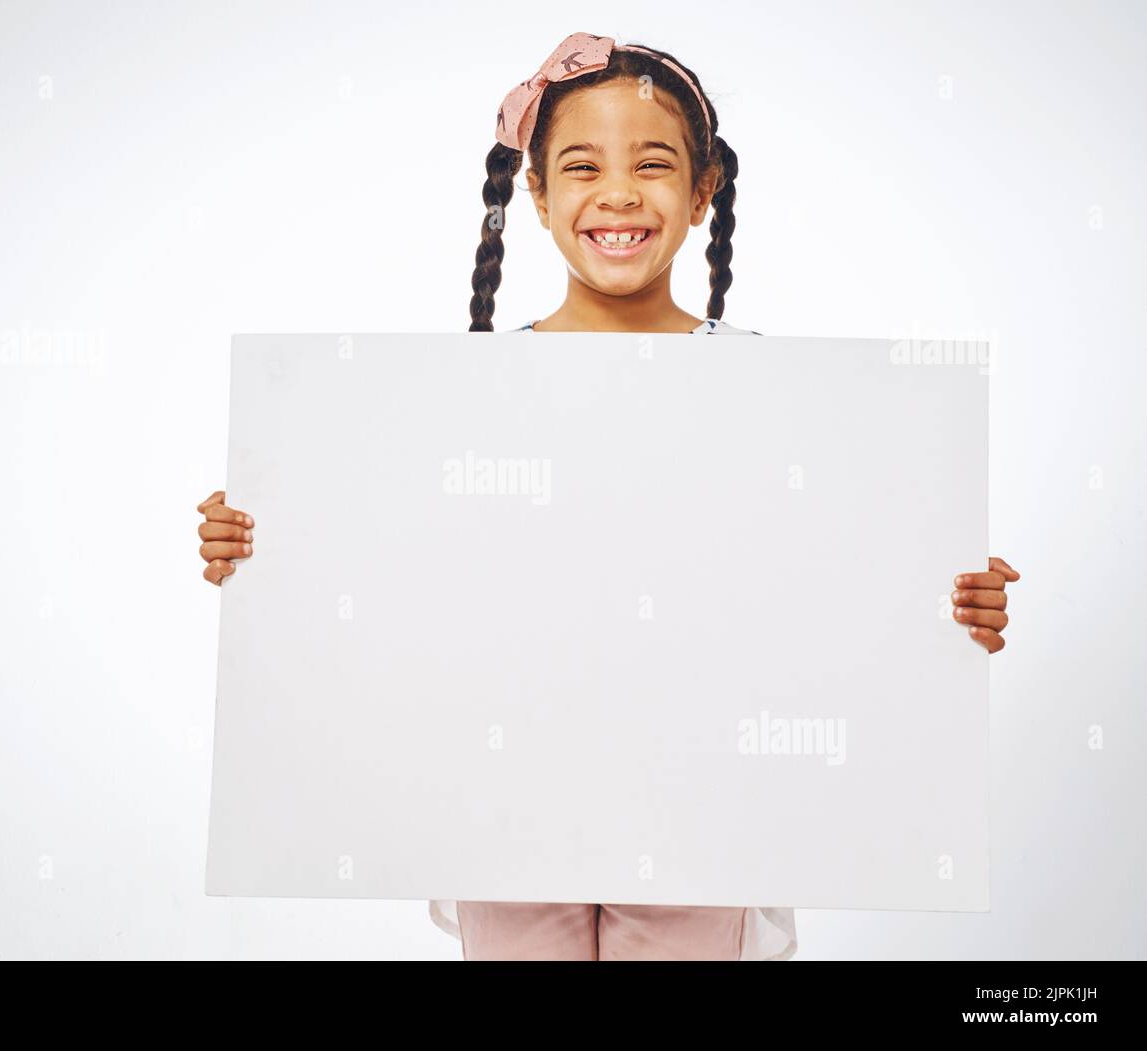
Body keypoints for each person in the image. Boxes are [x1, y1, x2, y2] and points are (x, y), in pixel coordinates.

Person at [195, 31, 1020, 961]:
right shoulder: (460, 395)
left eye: (654, 164)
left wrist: (943, 603)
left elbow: (827, 573)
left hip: (706, 791)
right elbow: (401, 568)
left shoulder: (776, 392)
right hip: (503, 790)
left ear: (704, 188)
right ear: (538, 196)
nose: (619, 194)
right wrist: (272, 540)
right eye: (582, 166)